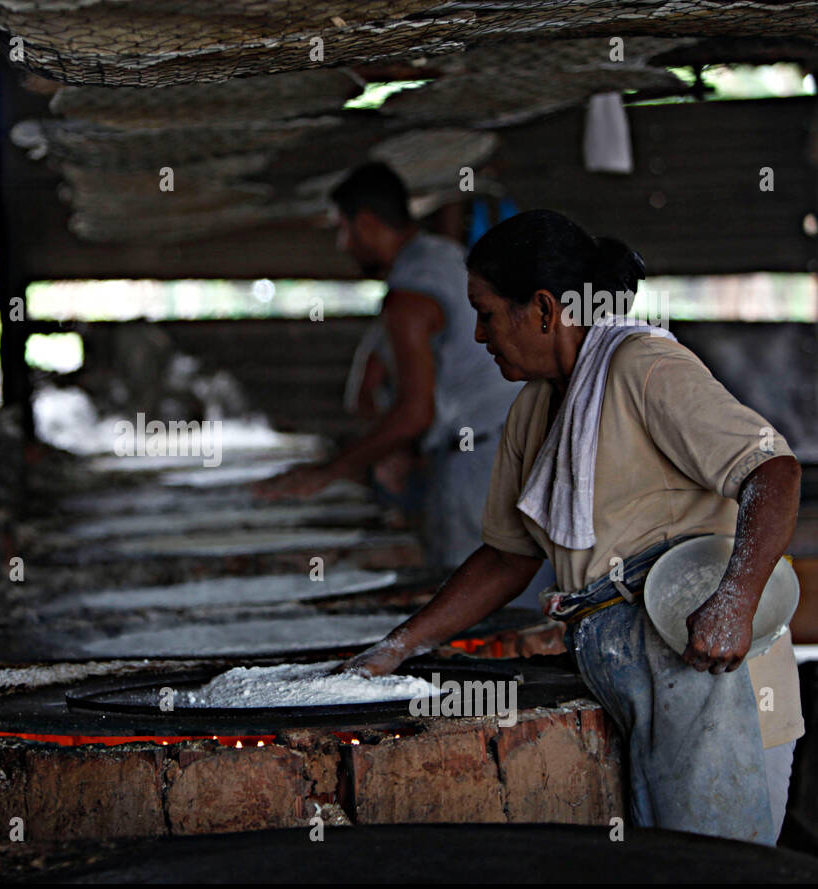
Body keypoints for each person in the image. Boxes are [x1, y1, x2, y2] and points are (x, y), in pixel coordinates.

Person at [342, 209, 803, 845]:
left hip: (713, 673)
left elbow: (773, 472)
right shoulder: (535, 406)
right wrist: (399, 646)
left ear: (541, 308)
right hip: (629, 670)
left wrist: (735, 600)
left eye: (486, 313)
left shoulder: (644, 367)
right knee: (665, 874)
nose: (477, 336)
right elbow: (507, 558)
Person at [255, 164, 545, 602]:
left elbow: (414, 412)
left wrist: (331, 471)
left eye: (343, 230)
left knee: (482, 611)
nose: (342, 245)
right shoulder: (443, 257)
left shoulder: (411, 292)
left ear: (367, 223)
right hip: (516, 450)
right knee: (519, 605)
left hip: (482, 467)